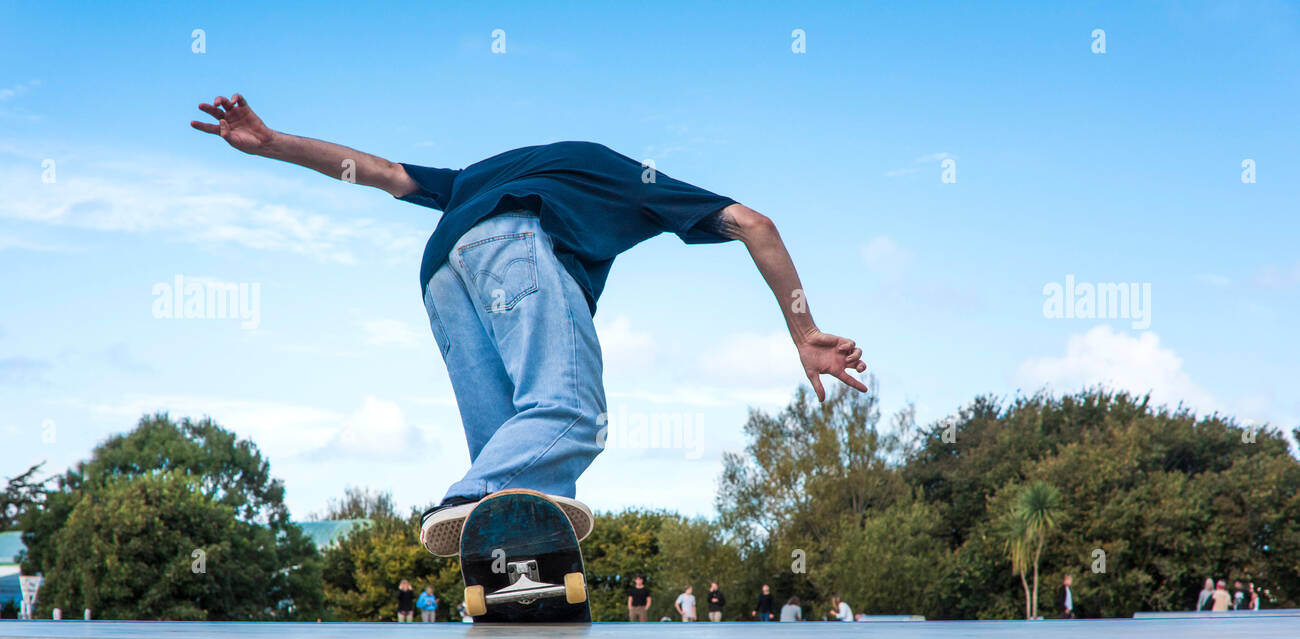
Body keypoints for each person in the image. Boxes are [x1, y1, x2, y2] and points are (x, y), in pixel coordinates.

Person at [191, 97, 868, 558]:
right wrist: (803, 331)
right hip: (516, 247)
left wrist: (272, 142)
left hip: (441, 273)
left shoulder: (477, 175)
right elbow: (757, 225)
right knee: (569, 413)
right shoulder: (629, 178)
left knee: (522, 469)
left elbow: (382, 173)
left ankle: (514, 569)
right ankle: (466, 499)